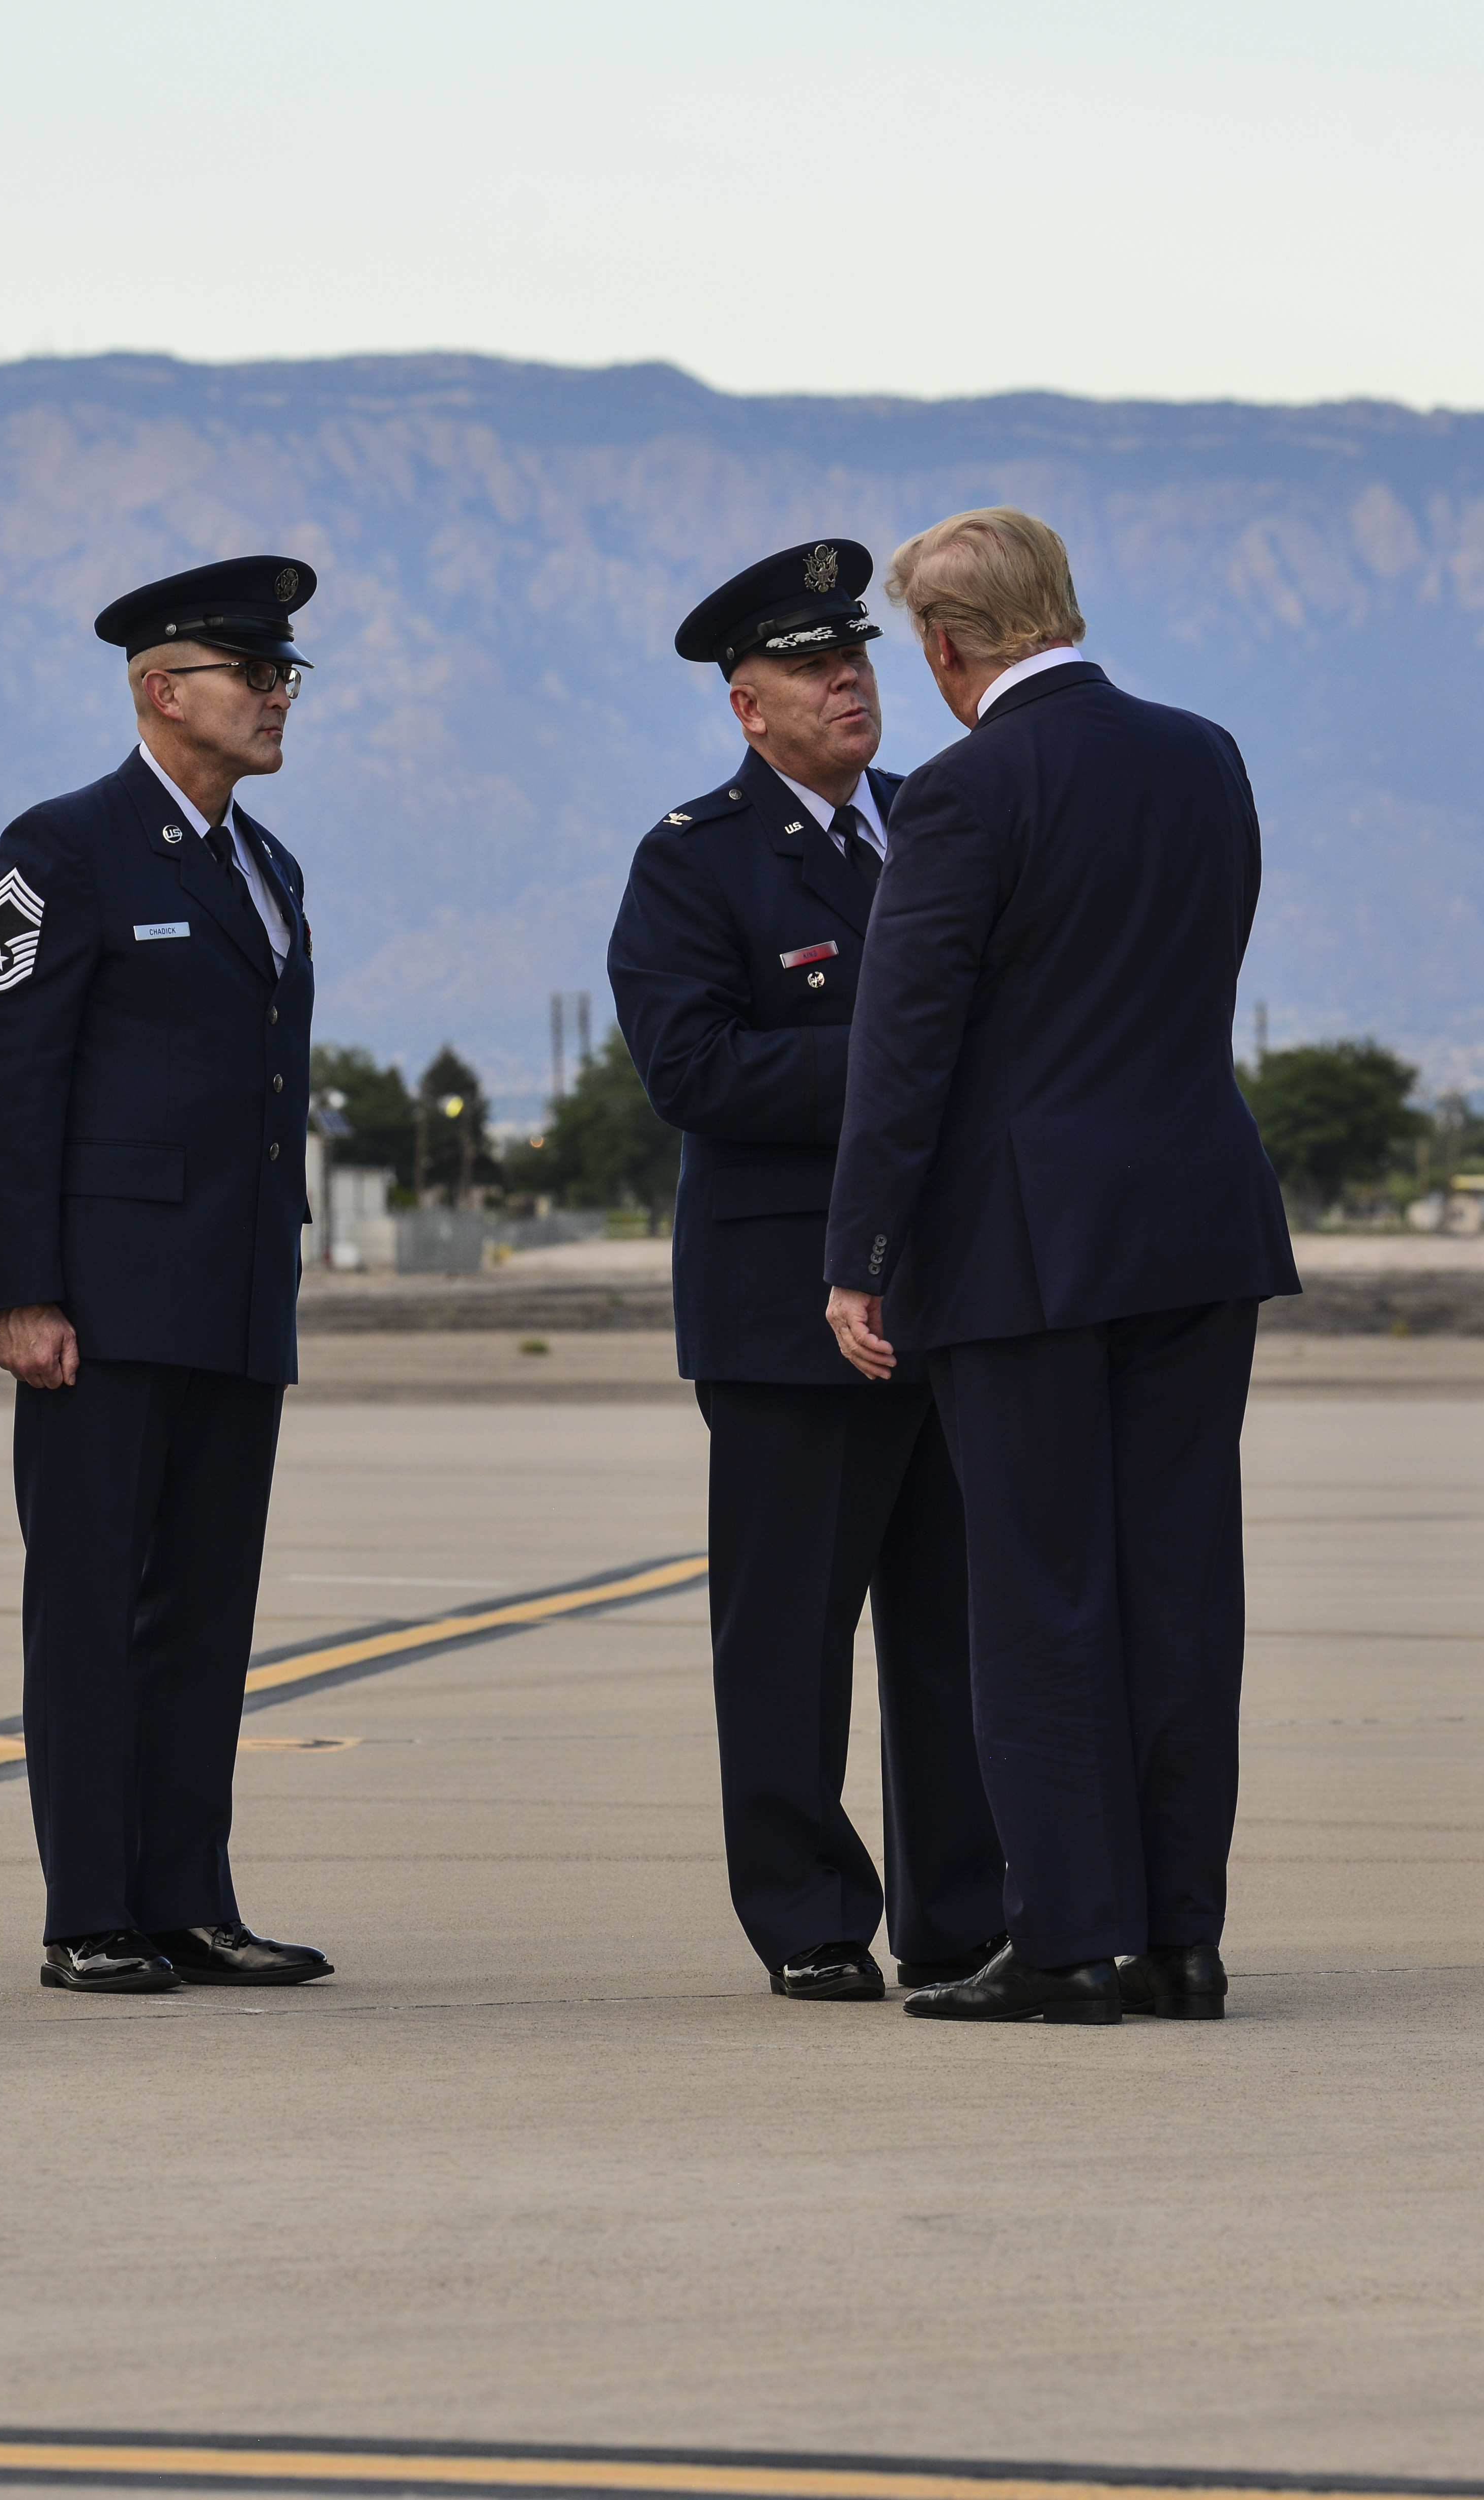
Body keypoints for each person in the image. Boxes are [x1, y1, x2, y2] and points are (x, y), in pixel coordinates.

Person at [823, 507, 1300, 2028]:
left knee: (1036, 1592)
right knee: (1180, 1583)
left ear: (948, 648)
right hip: (1195, 1221)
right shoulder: (1203, 755)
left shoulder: (964, 792)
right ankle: (1181, 1935)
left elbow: (907, 1047)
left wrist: (864, 1254)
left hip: (1028, 1242)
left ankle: (1069, 1937)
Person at [605, 539, 1004, 2002]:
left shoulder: (938, 819)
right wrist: (904, 1065)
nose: (852, 681)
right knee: (789, 1637)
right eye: (814, 666)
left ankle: (965, 1912)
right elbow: (693, 1069)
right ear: (745, 704)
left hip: (958, 1297)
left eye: (863, 657)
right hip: (785, 1313)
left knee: (962, 1633)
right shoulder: (697, 857)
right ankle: (811, 1915)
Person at [0, 556, 332, 1994]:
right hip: (103, 1302)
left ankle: (191, 1897)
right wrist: (20, 1290)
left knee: (205, 1610)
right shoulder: (60, 849)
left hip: (235, 1297)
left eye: (287, 672)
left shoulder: (267, 862)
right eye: (253, 673)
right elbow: (2, 1077)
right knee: (97, 1605)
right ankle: (92, 1910)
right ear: (163, 691)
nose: (280, 693)